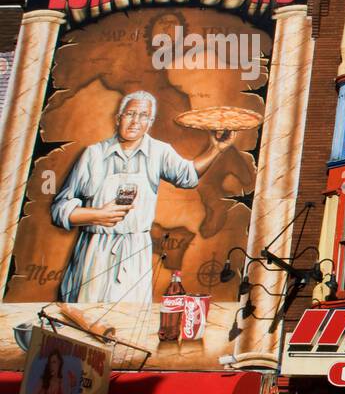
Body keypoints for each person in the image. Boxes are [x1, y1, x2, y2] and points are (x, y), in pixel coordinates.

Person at [51, 91, 233, 304]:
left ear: (150, 122)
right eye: (130, 114)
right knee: (85, 317)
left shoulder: (159, 152)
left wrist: (216, 149)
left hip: (134, 251)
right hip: (94, 251)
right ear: (119, 118)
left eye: (143, 116)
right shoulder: (94, 154)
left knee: (127, 319)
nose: (136, 121)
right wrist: (96, 215)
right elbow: (59, 209)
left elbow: (188, 176)